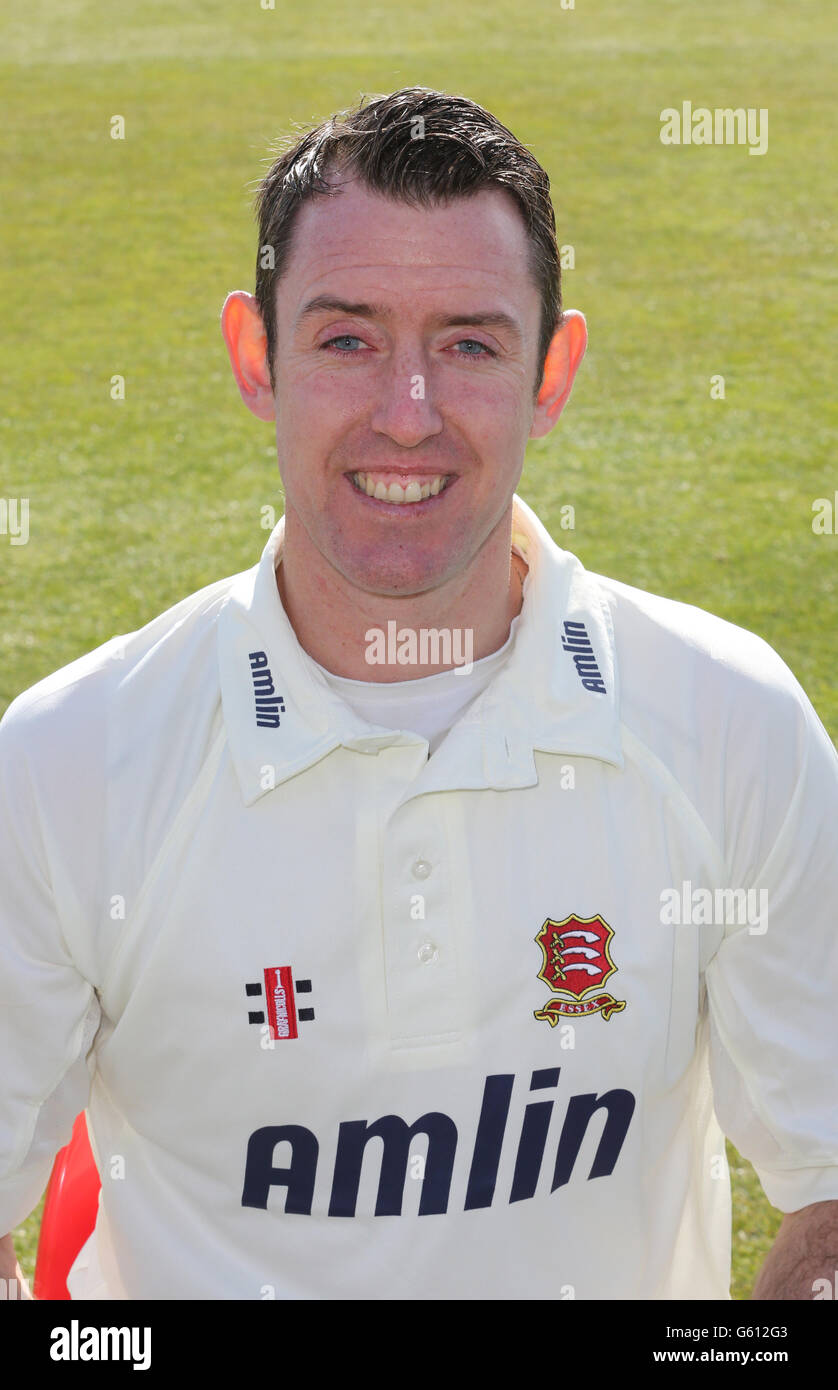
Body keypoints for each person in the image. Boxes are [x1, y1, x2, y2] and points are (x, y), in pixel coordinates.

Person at [1, 87, 836, 1302]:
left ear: (551, 373)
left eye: (469, 342)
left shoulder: (728, 721)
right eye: (347, 339)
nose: (408, 414)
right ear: (254, 355)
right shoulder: (65, 764)